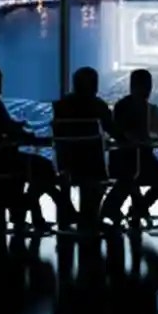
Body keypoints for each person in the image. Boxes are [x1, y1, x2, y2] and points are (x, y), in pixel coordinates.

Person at [0, 64, 76, 231]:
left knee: (34, 169)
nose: (0, 87)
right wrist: (29, 135)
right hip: (3, 158)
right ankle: (33, 206)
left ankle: (36, 212)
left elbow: (2, 127)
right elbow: (9, 128)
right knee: (44, 168)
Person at [102, 69, 158, 226]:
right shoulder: (147, 109)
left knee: (132, 179)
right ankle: (138, 209)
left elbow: (120, 133)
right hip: (137, 159)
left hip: (125, 159)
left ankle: (132, 208)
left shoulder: (121, 106)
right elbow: (154, 134)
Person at [52, 67, 119, 224]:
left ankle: (67, 218)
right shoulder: (99, 106)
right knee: (97, 183)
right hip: (92, 165)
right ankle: (91, 218)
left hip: (66, 163)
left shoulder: (61, 106)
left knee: (71, 179)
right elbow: (114, 131)